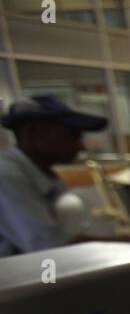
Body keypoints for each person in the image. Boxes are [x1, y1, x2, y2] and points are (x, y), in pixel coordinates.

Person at [0, 94, 107, 256]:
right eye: (72, 135)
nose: (81, 146)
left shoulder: (41, 173)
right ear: (33, 132)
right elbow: (50, 247)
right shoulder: (7, 176)